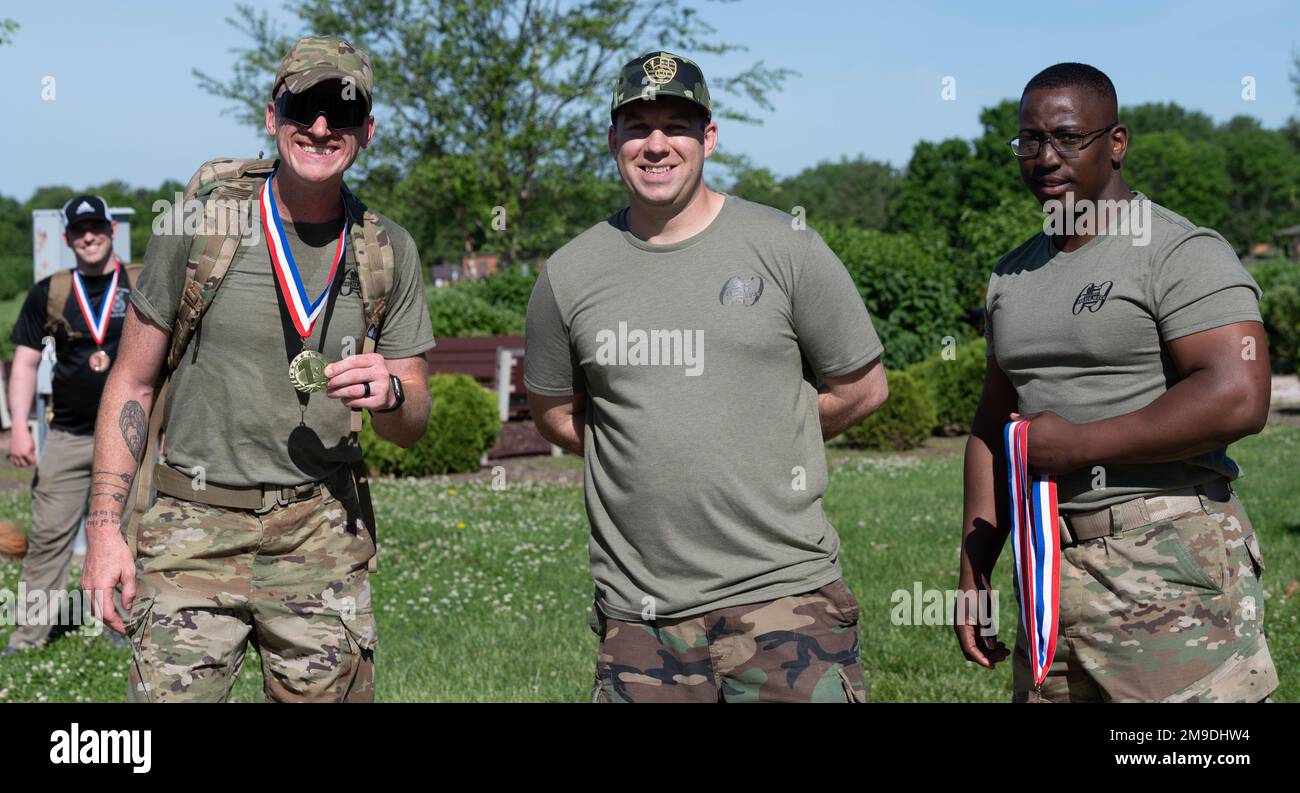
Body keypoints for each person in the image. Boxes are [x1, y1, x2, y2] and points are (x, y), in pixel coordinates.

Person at [80, 35, 436, 702]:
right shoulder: (200, 223)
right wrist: (102, 532)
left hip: (319, 533)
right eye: (303, 105)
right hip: (192, 525)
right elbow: (131, 382)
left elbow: (412, 419)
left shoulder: (389, 249)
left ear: (369, 130)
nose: (322, 126)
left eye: (343, 109)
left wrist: (391, 391)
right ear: (272, 116)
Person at [525, 51, 889, 702]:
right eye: (637, 126)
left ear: (709, 138)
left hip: (786, 600)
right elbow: (554, 409)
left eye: (677, 125)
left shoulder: (788, 246)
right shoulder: (568, 274)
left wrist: (769, 433)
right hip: (642, 616)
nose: (656, 144)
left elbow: (864, 385)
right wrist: (647, 445)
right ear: (612, 139)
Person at [955, 62, 1277, 702]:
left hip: (1166, 563)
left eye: (1068, 138)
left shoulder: (1179, 251)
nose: (1046, 157)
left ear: (1117, 142)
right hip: (1049, 573)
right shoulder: (1011, 276)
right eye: (1029, 141)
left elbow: (1239, 395)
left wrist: (1082, 446)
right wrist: (974, 566)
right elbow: (993, 427)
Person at [4, 195, 136, 654]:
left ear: (111, 231)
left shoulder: (141, 284)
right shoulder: (51, 291)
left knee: (132, 539)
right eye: (79, 231)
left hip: (131, 442)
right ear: (67, 238)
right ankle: (27, 637)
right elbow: (24, 362)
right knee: (47, 541)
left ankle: (124, 630)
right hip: (67, 437)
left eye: (96, 227)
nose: (89, 236)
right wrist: (20, 426)